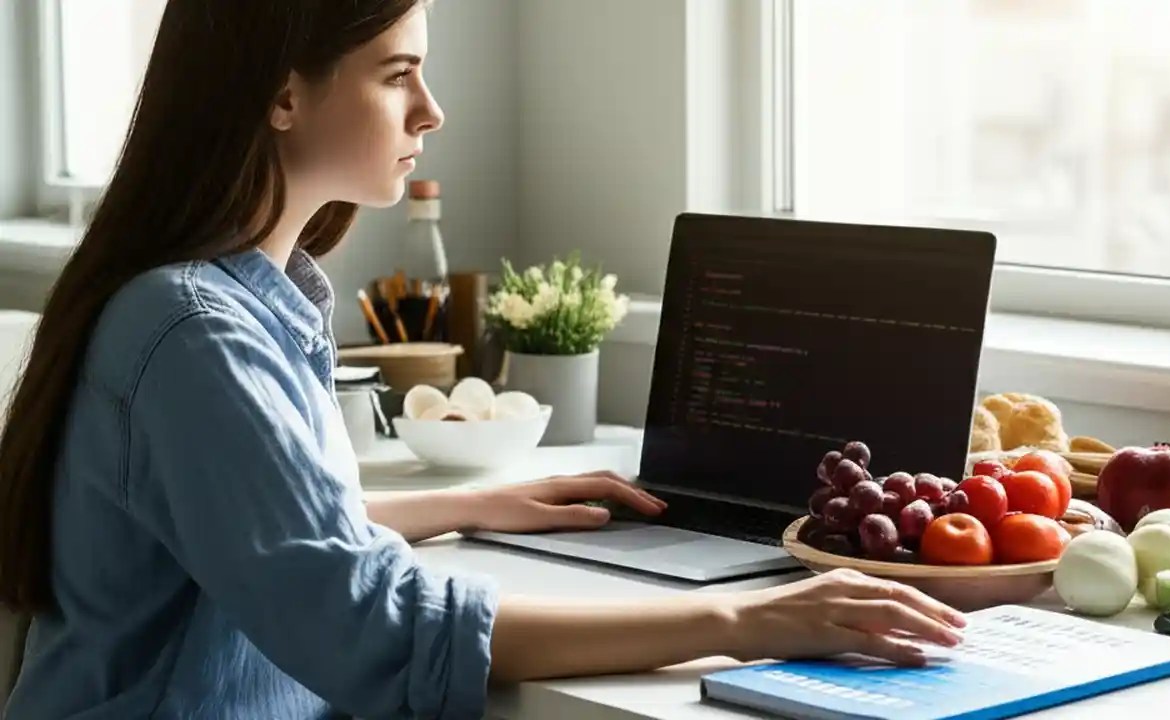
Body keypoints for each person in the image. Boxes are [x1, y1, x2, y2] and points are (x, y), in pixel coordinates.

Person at [0, 1, 966, 718]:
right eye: (397, 73)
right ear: (284, 94)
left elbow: (251, 526)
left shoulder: (238, 299)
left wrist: (467, 504)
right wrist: (746, 624)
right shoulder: (195, 332)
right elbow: (371, 627)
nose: (431, 111)